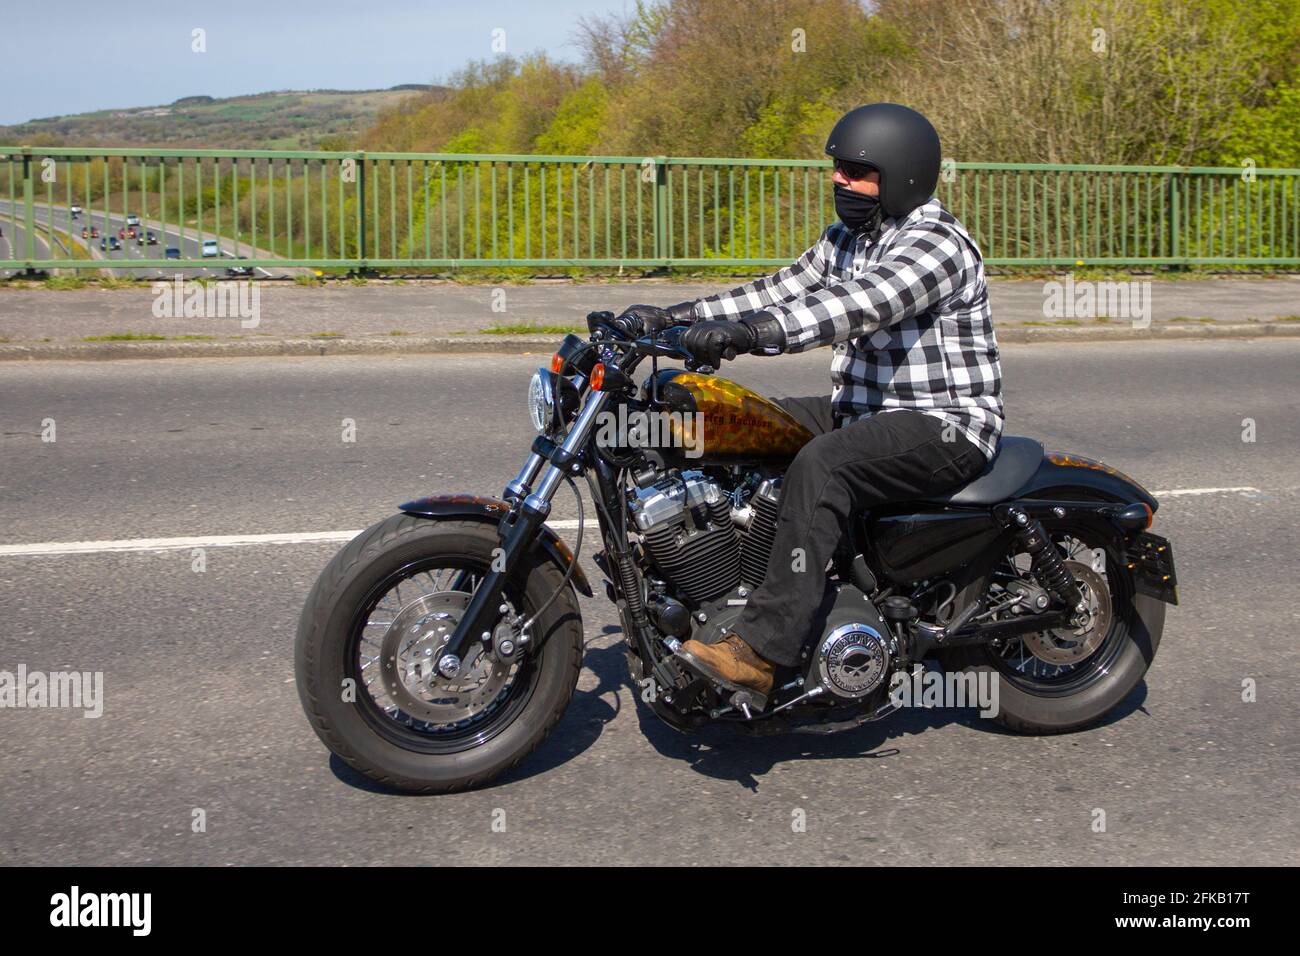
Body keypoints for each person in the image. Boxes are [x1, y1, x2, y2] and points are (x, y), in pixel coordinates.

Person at [610, 103, 1003, 701]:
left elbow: (857, 305)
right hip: (863, 407)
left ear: (902, 175)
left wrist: (754, 335)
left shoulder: (937, 245)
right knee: (727, 424)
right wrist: (671, 318)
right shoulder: (845, 239)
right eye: (838, 169)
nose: (839, 180)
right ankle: (712, 584)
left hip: (944, 423)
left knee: (824, 464)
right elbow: (780, 288)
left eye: (856, 171)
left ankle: (762, 651)